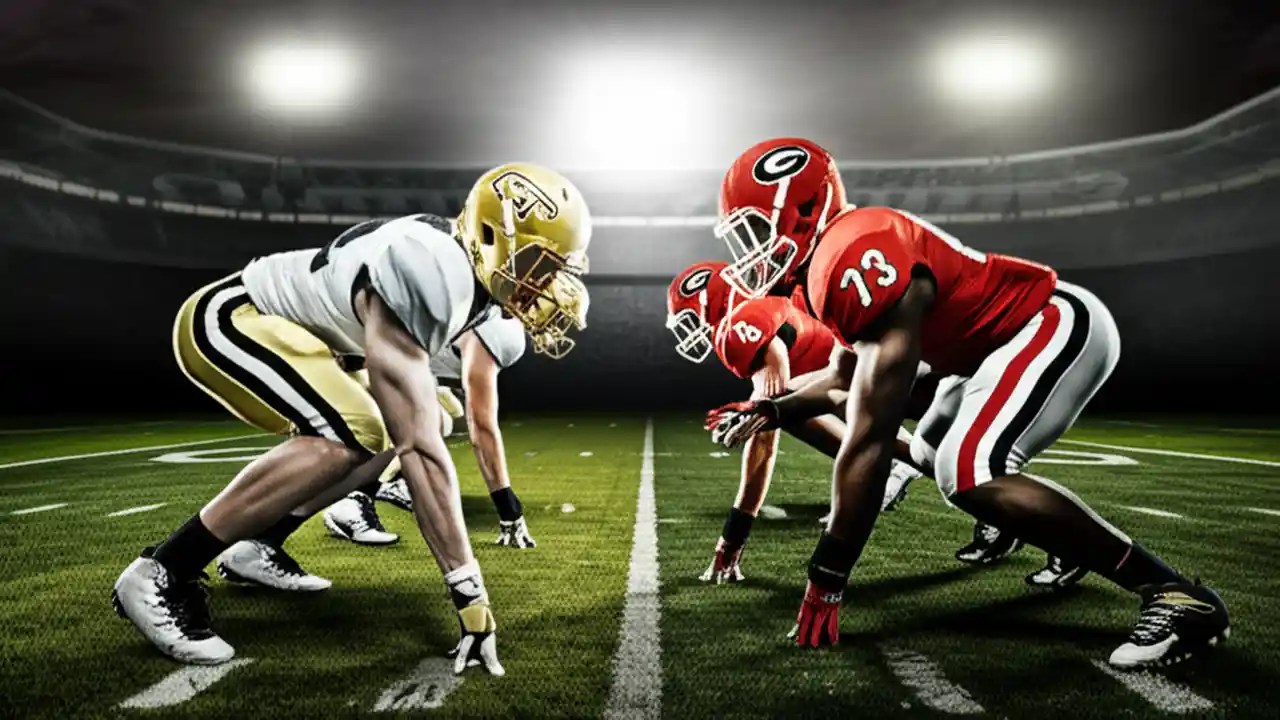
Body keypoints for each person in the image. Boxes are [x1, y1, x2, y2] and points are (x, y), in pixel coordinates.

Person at [706, 138, 1228, 669]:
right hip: (990, 352)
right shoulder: (835, 258)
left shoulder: (852, 253)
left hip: (1045, 323)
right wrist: (772, 410)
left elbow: (869, 438)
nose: (749, 251)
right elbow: (844, 375)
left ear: (805, 209)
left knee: (970, 469)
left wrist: (829, 574)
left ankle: (1175, 594)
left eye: (756, 229)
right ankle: (1063, 540)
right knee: (930, 450)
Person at [112, 163, 591, 673]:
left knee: (387, 429)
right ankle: (162, 571)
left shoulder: (460, 276)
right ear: (494, 234)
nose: (547, 283)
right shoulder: (430, 268)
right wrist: (470, 596)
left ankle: (258, 544)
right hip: (232, 318)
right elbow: (421, 453)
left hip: (298, 341)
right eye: (541, 263)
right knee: (354, 434)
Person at [666, 262, 924, 585]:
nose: (693, 328)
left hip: (865, 366)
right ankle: (908, 456)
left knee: (779, 410)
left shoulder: (739, 328)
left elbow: (767, 431)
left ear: (707, 300)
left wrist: (731, 542)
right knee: (780, 408)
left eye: (690, 317)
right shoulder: (757, 311)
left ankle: (902, 461)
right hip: (858, 363)